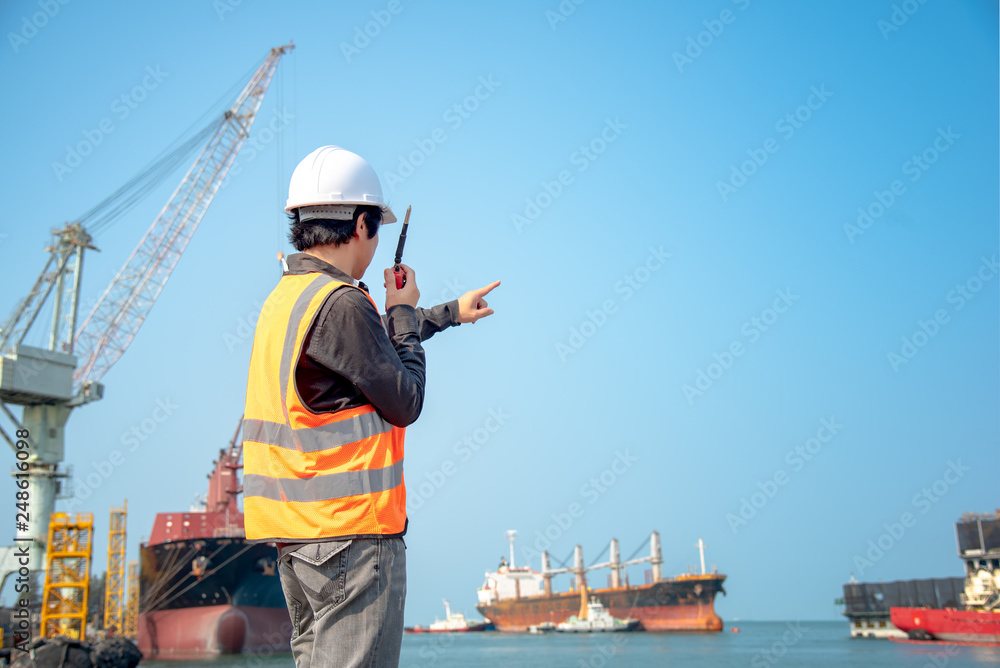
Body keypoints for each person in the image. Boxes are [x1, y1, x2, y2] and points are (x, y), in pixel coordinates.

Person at [241, 145, 499, 667]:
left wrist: (444, 313)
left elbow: (357, 354)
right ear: (361, 224)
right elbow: (404, 399)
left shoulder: (288, 299)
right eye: (376, 229)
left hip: (299, 543)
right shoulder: (341, 302)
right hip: (353, 539)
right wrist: (403, 314)